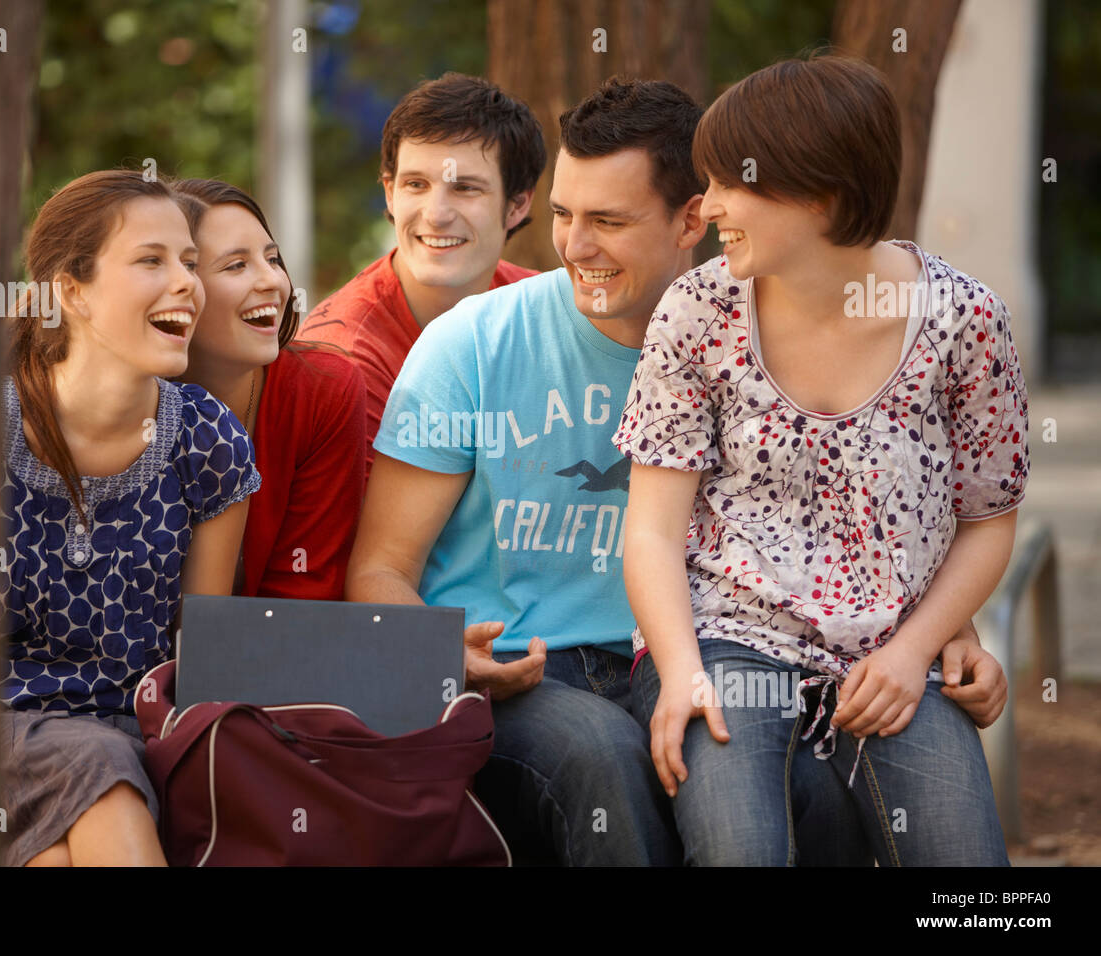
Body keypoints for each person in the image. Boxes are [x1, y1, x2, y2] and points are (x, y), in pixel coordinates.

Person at [348, 76, 1013, 867]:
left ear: (690, 218)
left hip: (679, 650)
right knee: (606, 752)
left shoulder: (742, 324)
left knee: (812, 789)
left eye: (609, 221)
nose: (573, 246)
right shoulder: (476, 343)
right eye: (563, 215)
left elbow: (874, 500)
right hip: (532, 668)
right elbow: (381, 567)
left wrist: (945, 627)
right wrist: (436, 649)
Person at [617, 55, 1026, 866]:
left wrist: (916, 652)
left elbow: (988, 520)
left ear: (821, 192)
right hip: (726, 636)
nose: (711, 208)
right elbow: (654, 531)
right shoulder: (699, 311)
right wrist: (679, 672)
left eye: (732, 184)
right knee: (739, 851)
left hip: (895, 645)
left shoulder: (963, 319)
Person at [0, 170, 259, 866]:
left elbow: (202, 656)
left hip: (139, 737)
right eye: (152, 260)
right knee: (101, 783)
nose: (187, 284)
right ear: (70, 289)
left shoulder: (210, 442)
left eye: (190, 263)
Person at [299, 72, 546, 479]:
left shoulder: (541, 307)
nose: (436, 214)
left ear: (517, 204)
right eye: (416, 184)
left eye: (465, 188)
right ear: (390, 193)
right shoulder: (342, 359)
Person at [174, 178, 367, 599]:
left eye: (273, 259)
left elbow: (303, 595)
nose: (273, 283)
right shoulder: (134, 396)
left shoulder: (324, 388)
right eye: (236, 265)